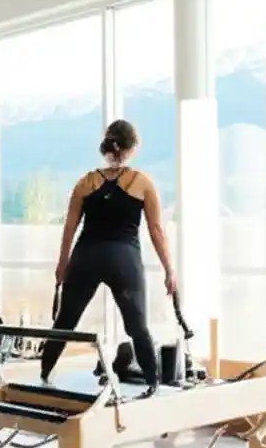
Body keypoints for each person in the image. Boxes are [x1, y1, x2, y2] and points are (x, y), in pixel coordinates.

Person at [42, 119, 176, 393]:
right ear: (132, 148)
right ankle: (153, 385)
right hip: (123, 258)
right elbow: (156, 230)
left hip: (85, 256)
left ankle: (43, 376)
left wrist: (62, 263)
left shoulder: (85, 182)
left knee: (65, 321)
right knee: (137, 327)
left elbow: (69, 227)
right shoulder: (142, 183)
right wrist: (169, 269)